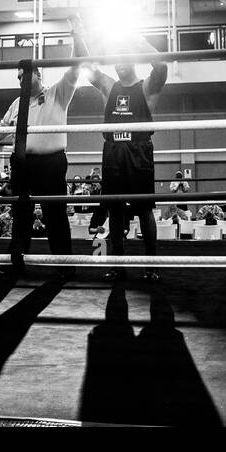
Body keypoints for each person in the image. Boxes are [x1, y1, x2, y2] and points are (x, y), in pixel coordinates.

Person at [0, 18, 87, 277]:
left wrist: (77, 33)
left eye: (26, 74)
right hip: (22, 164)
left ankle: (64, 266)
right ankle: (16, 263)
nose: (22, 79)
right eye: (18, 76)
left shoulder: (58, 92)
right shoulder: (16, 104)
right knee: (20, 213)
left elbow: (78, 62)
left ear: (38, 74)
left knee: (55, 213)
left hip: (51, 162)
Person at [87, 32, 168, 281]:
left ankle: (152, 266)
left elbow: (162, 67)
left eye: (125, 59)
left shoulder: (146, 87)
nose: (120, 64)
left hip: (138, 151)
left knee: (144, 209)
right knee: (115, 209)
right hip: (112, 151)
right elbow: (88, 67)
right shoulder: (110, 86)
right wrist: (83, 35)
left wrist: (139, 43)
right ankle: (117, 265)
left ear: (133, 60)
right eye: (117, 60)